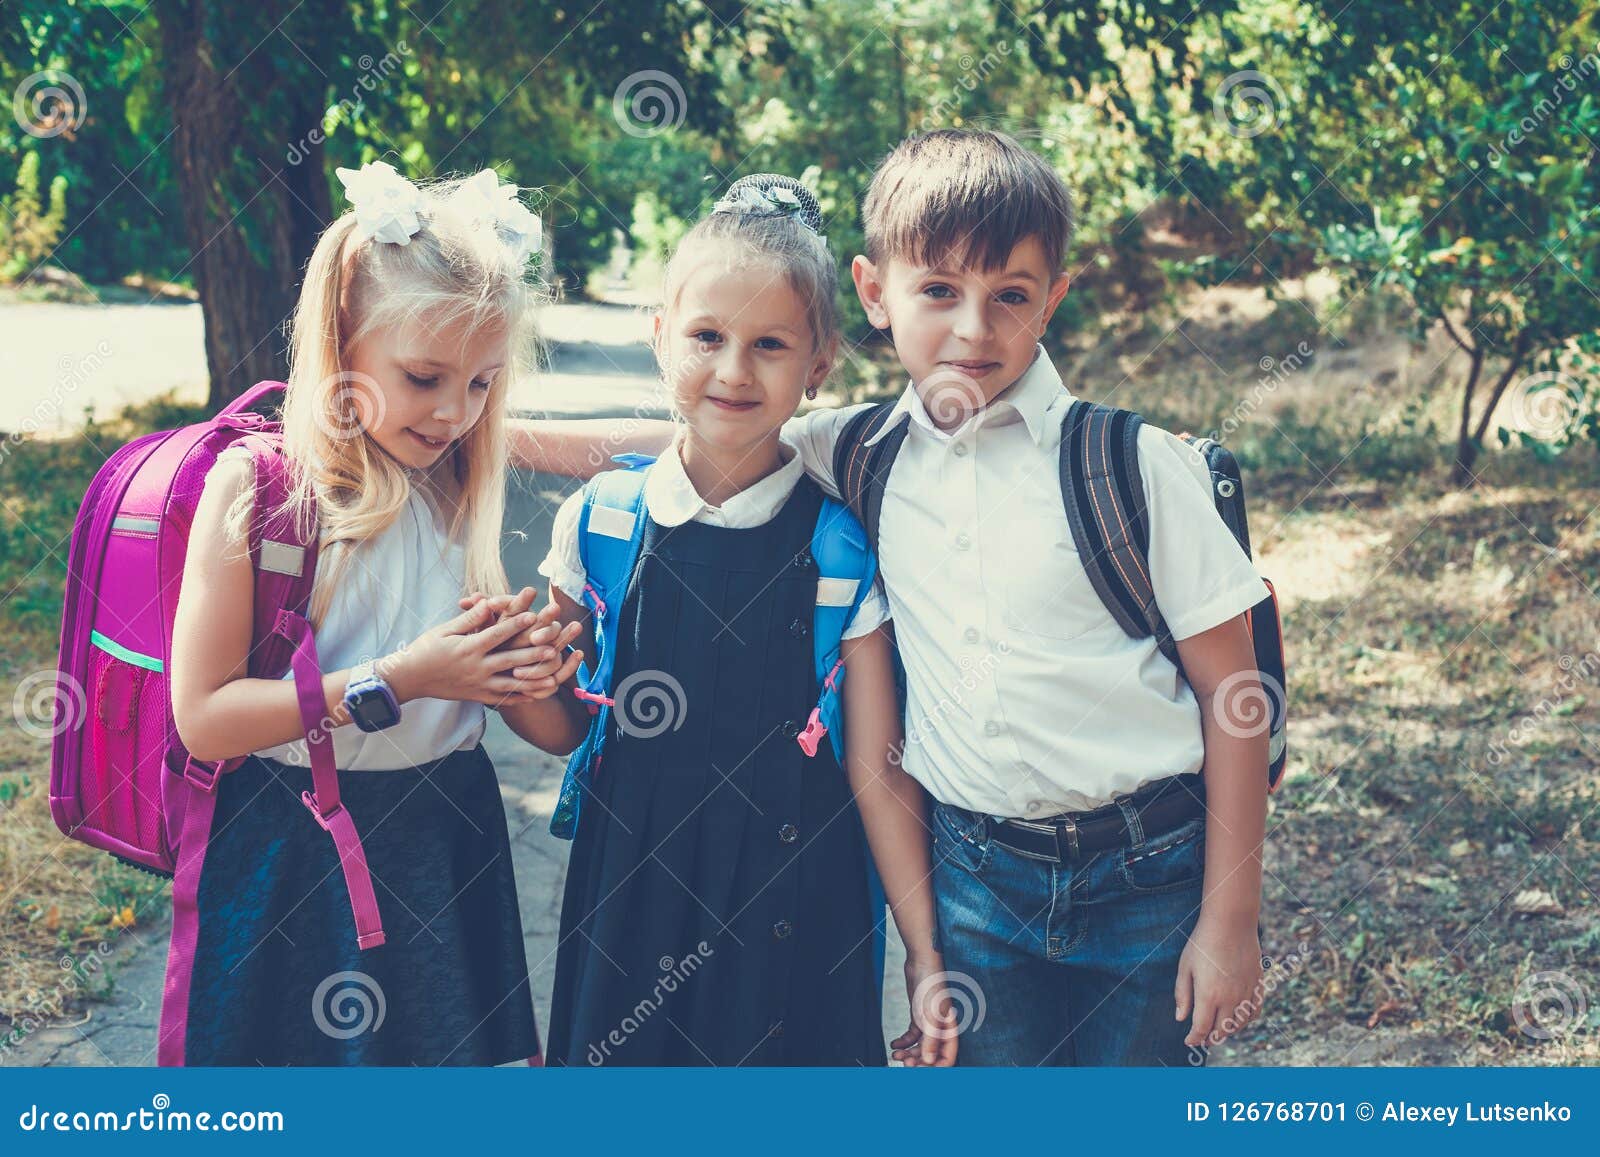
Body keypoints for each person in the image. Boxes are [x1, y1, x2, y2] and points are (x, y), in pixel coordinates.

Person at [507, 131, 1273, 1066]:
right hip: (978, 886)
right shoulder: (867, 450)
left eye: (1011, 296)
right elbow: (707, 431)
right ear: (875, 293)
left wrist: (1231, 917)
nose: (973, 330)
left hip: (1148, 873)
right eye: (939, 290)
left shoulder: (1131, 465)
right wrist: (477, 433)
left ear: (1053, 299)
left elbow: (1236, 697)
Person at [520, 174, 956, 1066]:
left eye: (769, 345)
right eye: (707, 337)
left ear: (819, 364)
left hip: (800, 910)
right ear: (660, 336)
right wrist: (508, 680)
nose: (732, 370)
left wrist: (924, 949)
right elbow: (564, 729)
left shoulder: (842, 548)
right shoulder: (602, 524)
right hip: (629, 901)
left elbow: (876, 767)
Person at [165, 162, 585, 1065]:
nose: (454, 413)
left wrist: (527, 671)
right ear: (342, 344)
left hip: (445, 839)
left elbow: (552, 735)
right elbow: (203, 717)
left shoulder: (456, 483)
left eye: (483, 384)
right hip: (296, 851)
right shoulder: (261, 491)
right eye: (425, 376)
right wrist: (402, 678)